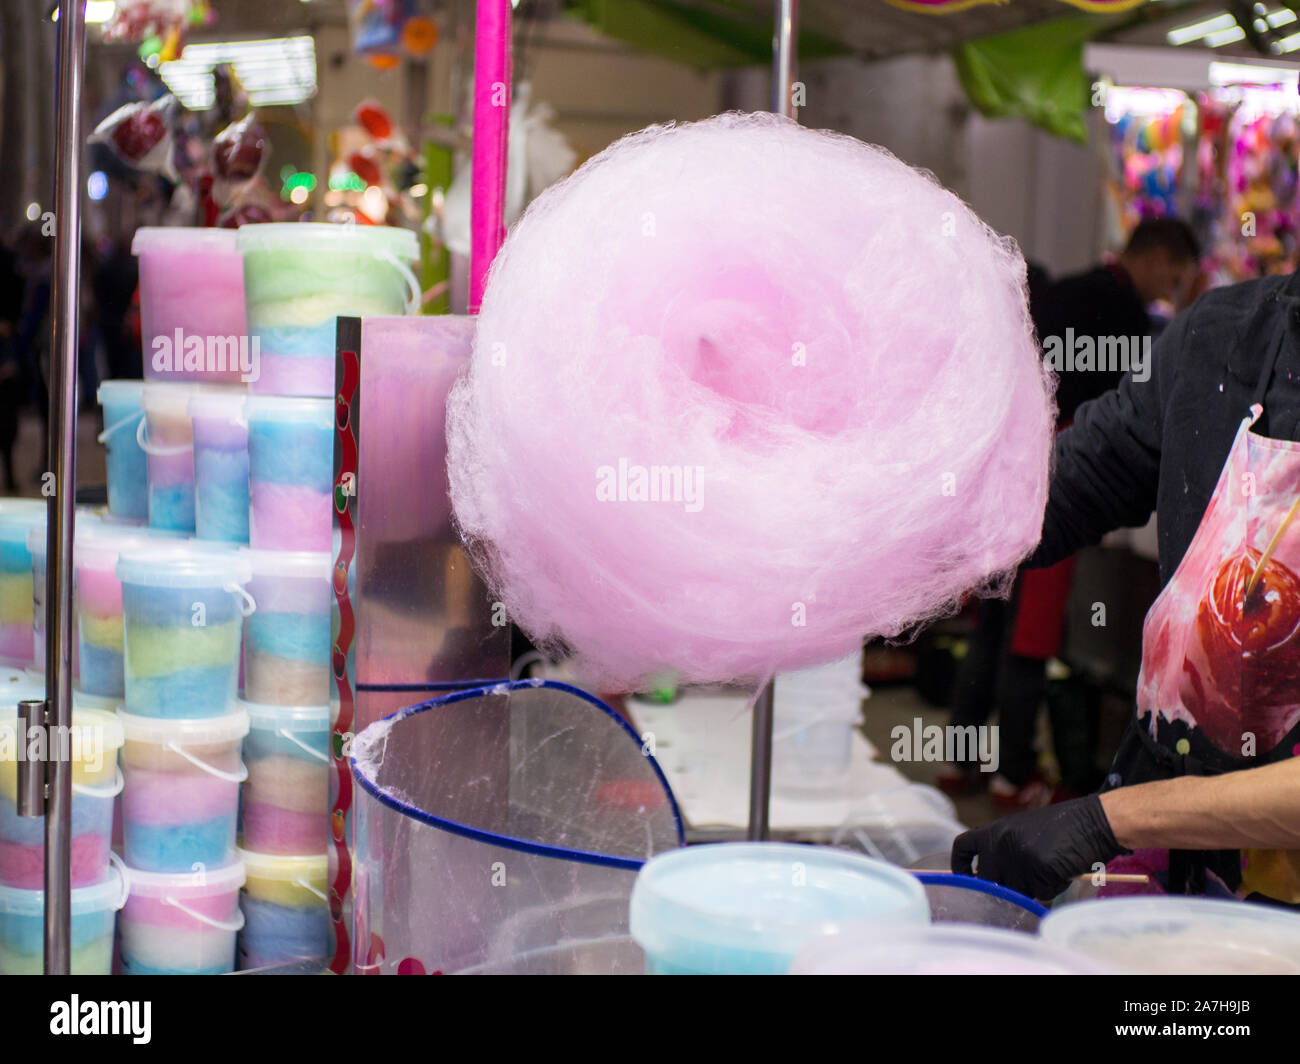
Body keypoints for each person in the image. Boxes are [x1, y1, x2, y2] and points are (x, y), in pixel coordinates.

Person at [952, 258, 1300, 907]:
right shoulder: (1220, 335)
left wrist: (1107, 820)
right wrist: (895, 530)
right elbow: (1072, 483)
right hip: (1175, 866)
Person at [940, 220, 1201, 809]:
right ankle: (1012, 775)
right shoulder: (1124, 314)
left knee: (993, 624)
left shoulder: (1068, 290)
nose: (1172, 288)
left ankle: (961, 762)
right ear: (1158, 259)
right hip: (1055, 478)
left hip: (1009, 471)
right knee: (1030, 637)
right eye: (1175, 274)